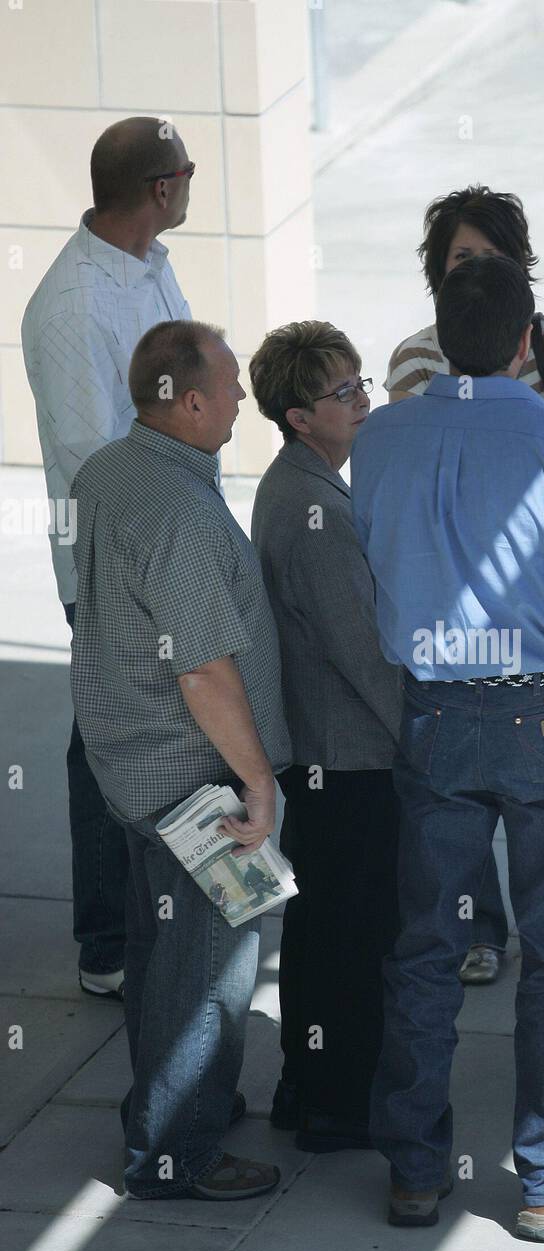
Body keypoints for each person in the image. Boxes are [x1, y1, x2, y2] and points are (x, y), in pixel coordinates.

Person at [352, 253, 544, 1240]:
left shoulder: (382, 439)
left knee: (426, 945)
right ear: (531, 341)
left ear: (438, 339)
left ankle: (412, 1169)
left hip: (435, 713)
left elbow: (375, 563)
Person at [70, 319, 291, 1200]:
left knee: (165, 963)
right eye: (231, 384)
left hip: (131, 766)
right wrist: (260, 781)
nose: (241, 396)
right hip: (193, 786)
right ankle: (176, 1153)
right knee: (206, 974)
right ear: (189, 400)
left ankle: (171, 1109)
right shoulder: (177, 511)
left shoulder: (111, 470)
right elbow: (202, 667)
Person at [387, 186, 544, 984]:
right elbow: (417, 469)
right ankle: (479, 931)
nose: (475, 269)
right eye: (461, 258)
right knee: (458, 821)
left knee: (530, 822)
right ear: (438, 271)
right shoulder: (415, 356)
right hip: (455, 614)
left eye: (491, 257)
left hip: (540, 604)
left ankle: (543, 946)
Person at [21, 117, 194, 1002]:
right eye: (188, 172)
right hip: (110, 563)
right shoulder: (75, 305)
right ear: (161, 189)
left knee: (144, 737)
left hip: (164, 539)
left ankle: (152, 912)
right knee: (103, 744)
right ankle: (108, 941)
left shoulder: (150, 264)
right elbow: (99, 463)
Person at [249, 320, 403, 1153]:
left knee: (321, 931)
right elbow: (365, 657)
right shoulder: (314, 510)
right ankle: (337, 1103)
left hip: (325, 759)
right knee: (351, 938)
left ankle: (306, 1088)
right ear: (299, 417)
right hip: (346, 763)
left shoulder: (302, 485)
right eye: (342, 393)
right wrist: (421, 742)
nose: (362, 402)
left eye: (360, 383)